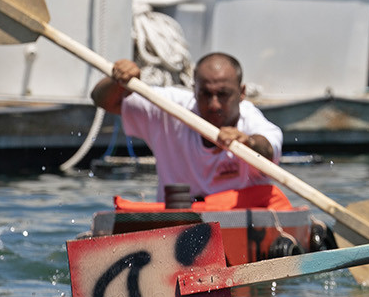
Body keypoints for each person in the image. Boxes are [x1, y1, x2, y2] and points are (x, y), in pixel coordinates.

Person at [91, 52, 284, 203]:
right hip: (180, 226)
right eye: (206, 94)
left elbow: (268, 148)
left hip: (239, 224)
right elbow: (103, 100)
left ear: (242, 93)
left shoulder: (250, 120)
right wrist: (118, 80)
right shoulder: (171, 108)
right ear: (194, 89)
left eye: (223, 94)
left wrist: (248, 142)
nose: (214, 104)